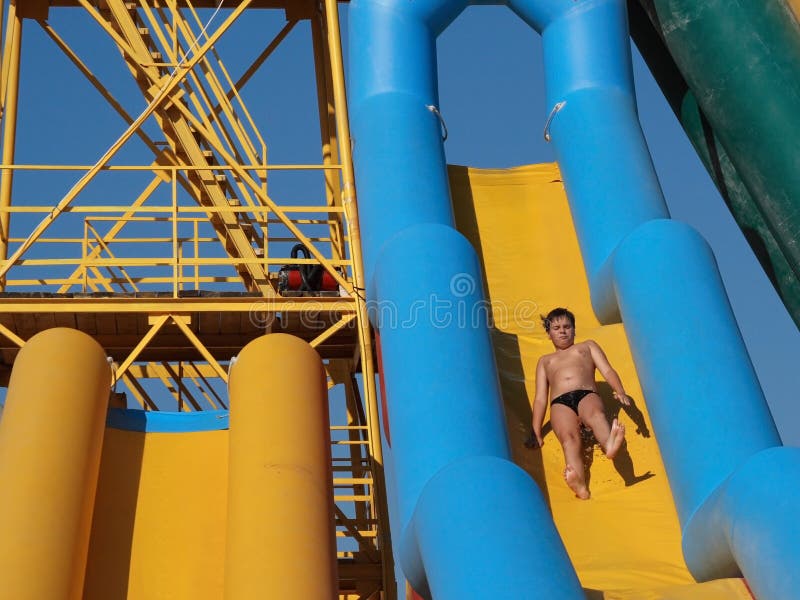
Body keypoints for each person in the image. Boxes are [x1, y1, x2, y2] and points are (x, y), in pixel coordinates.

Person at [530, 307, 630, 499]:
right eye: (556, 327)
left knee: (596, 415)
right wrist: (536, 432)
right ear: (549, 334)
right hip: (559, 403)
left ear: (575, 330)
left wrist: (619, 391)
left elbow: (607, 370)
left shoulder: (587, 346)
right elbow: (541, 398)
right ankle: (581, 486)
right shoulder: (545, 361)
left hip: (586, 393)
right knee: (569, 438)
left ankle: (609, 445)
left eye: (567, 326)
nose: (562, 331)